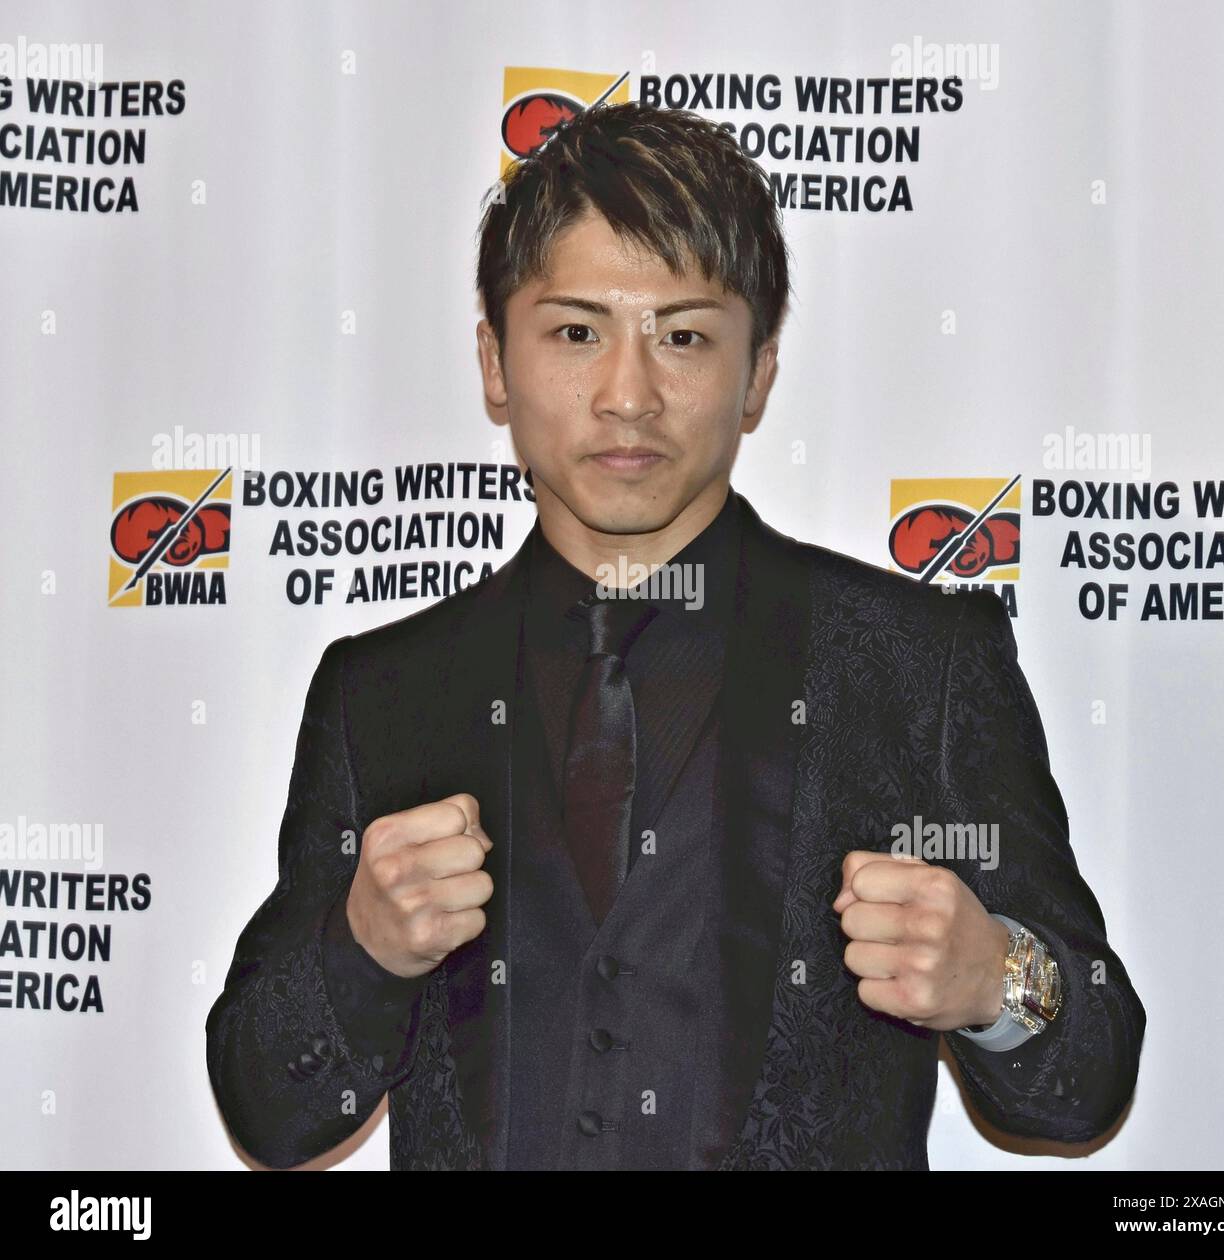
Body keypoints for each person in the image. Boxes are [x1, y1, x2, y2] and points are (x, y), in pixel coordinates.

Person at [205, 101, 1145, 1170]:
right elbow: (266, 1113)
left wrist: (995, 980)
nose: (628, 395)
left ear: (757, 376)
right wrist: (363, 951)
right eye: (575, 333)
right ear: (494, 364)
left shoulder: (918, 663)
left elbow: (1089, 1080)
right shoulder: (383, 690)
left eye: (685, 337)